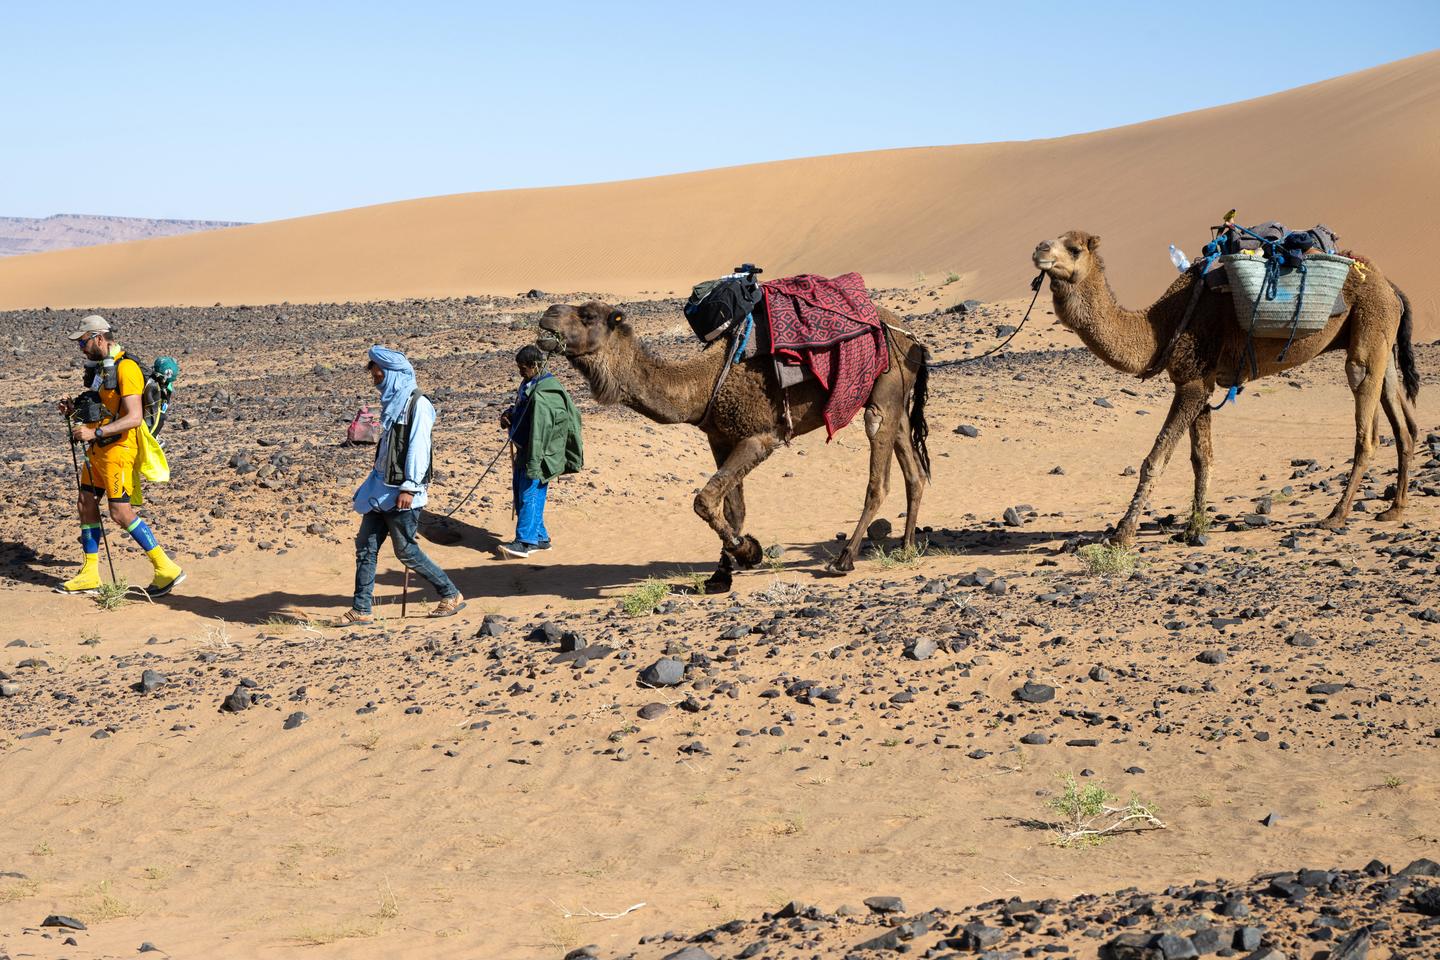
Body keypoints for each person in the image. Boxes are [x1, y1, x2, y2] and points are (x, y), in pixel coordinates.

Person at [55, 315, 185, 597]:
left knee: (120, 512)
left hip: (118, 451)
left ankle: (166, 568)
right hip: (99, 449)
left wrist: (95, 434)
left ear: (99, 337)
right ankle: (90, 573)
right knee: (85, 502)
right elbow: (104, 408)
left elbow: (134, 418)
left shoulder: (126, 369)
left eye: (83, 341)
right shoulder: (104, 369)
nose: (81, 348)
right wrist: (75, 412)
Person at [342, 346, 464, 624]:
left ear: (392, 372)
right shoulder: (393, 402)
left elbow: (418, 448)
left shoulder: (418, 404)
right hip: (379, 491)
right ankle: (361, 609)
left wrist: (409, 487)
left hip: (401, 494)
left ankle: (450, 593)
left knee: (406, 550)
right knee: (365, 546)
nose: (373, 375)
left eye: (376, 369)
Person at [497, 345, 583, 559]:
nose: (520, 372)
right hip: (526, 450)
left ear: (535, 365)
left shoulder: (547, 391)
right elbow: (525, 412)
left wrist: (534, 461)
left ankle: (525, 542)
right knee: (524, 493)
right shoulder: (530, 383)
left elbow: (542, 431)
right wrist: (510, 416)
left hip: (539, 453)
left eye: (523, 368)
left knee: (530, 494)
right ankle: (540, 538)